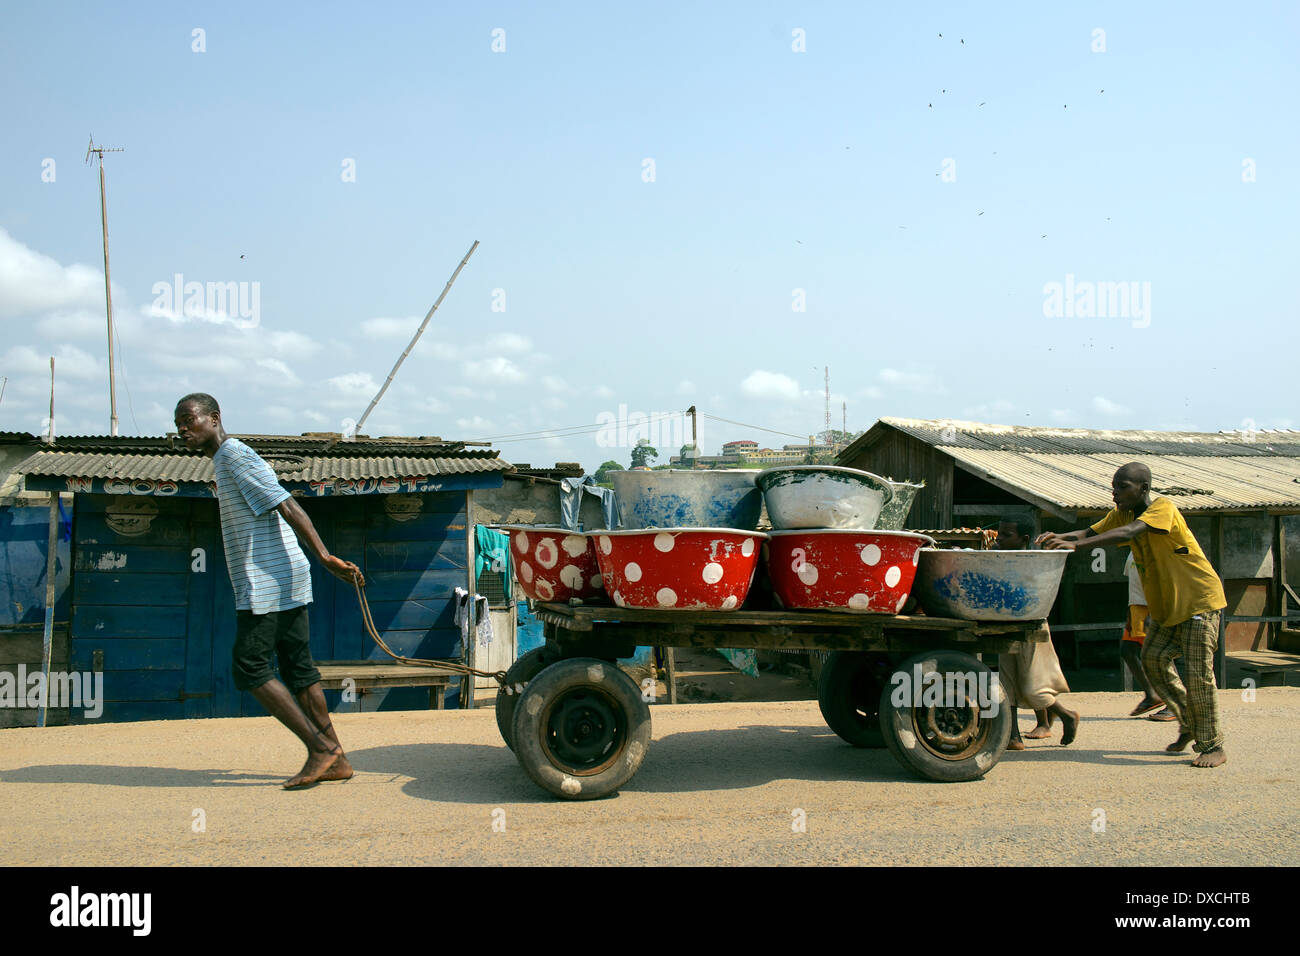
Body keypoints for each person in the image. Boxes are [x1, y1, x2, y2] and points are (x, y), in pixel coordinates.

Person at [175, 393, 364, 788]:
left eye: (189, 420)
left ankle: (319, 749)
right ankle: (337, 757)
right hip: (284, 577)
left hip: (268, 582)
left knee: (249, 667)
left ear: (214, 418)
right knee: (299, 668)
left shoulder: (234, 456)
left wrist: (326, 556)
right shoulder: (225, 460)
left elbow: (288, 504)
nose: (183, 429)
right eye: (179, 423)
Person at [1039, 462, 1227, 768]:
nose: (1115, 493)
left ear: (1144, 489)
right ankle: (1189, 722)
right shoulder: (1121, 513)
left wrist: (1077, 547)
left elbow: (1125, 533)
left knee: (1198, 676)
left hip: (1198, 603)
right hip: (1167, 609)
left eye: (1123, 487)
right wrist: (1059, 537)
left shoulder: (1162, 509)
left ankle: (1213, 745)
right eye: (1113, 487)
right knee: (1152, 659)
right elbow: (1088, 531)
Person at [994, 516, 1079, 749]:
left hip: (1030, 626)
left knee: (1034, 684)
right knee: (1007, 683)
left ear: (1025, 539)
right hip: (1005, 625)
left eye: (1006, 535)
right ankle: (1013, 736)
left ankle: (1066, 715)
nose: (999, 538)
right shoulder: (999, 557)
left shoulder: (1035, 561)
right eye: (999, 534)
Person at [1120, 551, 1173, 720]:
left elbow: (1165, 582)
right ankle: (1152, 695)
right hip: (1137, 607)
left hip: (1152, 608)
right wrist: (1130, 613)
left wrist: (1154, 611)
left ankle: (1174, 703)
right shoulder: (1132, 551)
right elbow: (1134, 584)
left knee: (1160, 655)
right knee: (1128, 651)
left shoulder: (1156, 549)